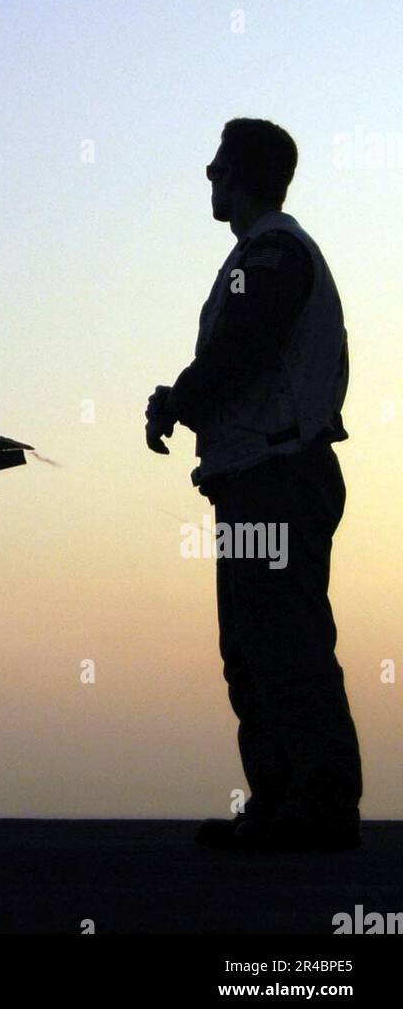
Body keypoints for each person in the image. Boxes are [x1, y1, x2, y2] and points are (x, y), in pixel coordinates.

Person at [147, 118, 362, 852]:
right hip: (257, 480)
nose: (209, 176)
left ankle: (322, 808)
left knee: (282, 639)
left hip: (277, 479)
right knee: (252, 644)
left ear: (239, 174)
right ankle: (282, 804)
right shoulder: (264, 254)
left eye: (217, 166)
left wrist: (178, 400)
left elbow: (241, 351)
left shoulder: (273, 254)